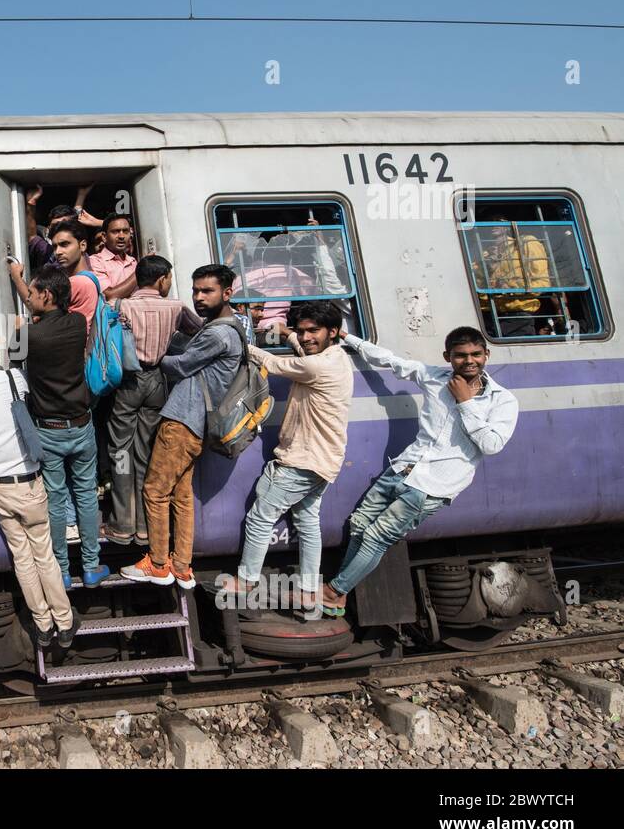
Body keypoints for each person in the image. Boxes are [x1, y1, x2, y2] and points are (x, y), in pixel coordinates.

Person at [322, 326, 519, 616]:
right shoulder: (434, 377)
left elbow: (491, 445)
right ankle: (338, 596)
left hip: (432, 486)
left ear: (486, 355)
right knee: (359, 525)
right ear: (448, 357)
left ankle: (335, 591)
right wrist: (347, 337)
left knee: (377, 537)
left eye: (476, 354)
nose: (469, 360)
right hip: (402, 469)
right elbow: (388, 360)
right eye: (460, 355)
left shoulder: (502, 400)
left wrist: (465, 402)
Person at [219, 301, 353, 611]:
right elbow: (305, 355)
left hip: (304, 460)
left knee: (260, 517)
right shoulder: (335, 357)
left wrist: (240, 339)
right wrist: (289, 335)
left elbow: (275, 364)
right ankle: (308, 589)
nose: (307, 338)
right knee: (307, 522)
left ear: (333, 332)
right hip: (324, 459)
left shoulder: (318, 366)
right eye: (303, 331)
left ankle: (247, 580)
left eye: (313, 331)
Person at [0, 332, 78, 648]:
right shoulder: (13, 379)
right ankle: (64, 623)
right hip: (27, 484)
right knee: (44, 555)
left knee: (22, 558)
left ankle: (43, 626)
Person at [122, 264, 242, 590]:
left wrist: (155, 353)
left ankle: (158, 564)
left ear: (227, 293)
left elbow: (180, 365)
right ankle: (182, 566)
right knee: (182, 495)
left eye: (208, 291)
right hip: (197, 424)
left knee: (155, 490)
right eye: (195, 291)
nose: (199, 297)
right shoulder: (231, 327)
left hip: (182, 420)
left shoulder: (217, 334)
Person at [19, 266, 110, 589]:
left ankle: (61, 570)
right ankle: (90, 566)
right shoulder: (76, 324)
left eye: (31, 293)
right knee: (86, 495)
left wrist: (21, 328)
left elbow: (15, 364)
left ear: (46, 295)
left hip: (48, 430)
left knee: (56, 500)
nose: (28, 298)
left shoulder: (27, 336)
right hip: (82, 425)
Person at [103, 256, 200, 545]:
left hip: (127, 383)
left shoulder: (119, 307)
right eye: (169, 278)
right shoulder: (176, 307)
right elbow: (198, 332)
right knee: (146, 451)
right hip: (157, 381)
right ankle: (146, 527)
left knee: (120, 450)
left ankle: (122, 524)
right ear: (161, 280)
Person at [8, 217, 99, 326]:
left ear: (82, 245)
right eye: (55, 246)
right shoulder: (89, 277)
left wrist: (17, 278)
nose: (58, 252)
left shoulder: (77, 283)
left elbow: (33, 303)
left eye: (65, 244)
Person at [476, 219, 551, 337]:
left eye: (499, 220)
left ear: (508, 225)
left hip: (518, 316)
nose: (493, 224)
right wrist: (489, 273)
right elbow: (476, 287)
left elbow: (542, 283)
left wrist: (510, 289)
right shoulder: (484, 253)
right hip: (487, 316)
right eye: (490, 220)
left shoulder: (526, 243)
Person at [89, 213, 139, 301]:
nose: (121, 236)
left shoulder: (133, 262)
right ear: (104, 237)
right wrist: (140, 271)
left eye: (125, 231)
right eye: (115, 231)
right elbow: (109, 295)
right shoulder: (95, 261)